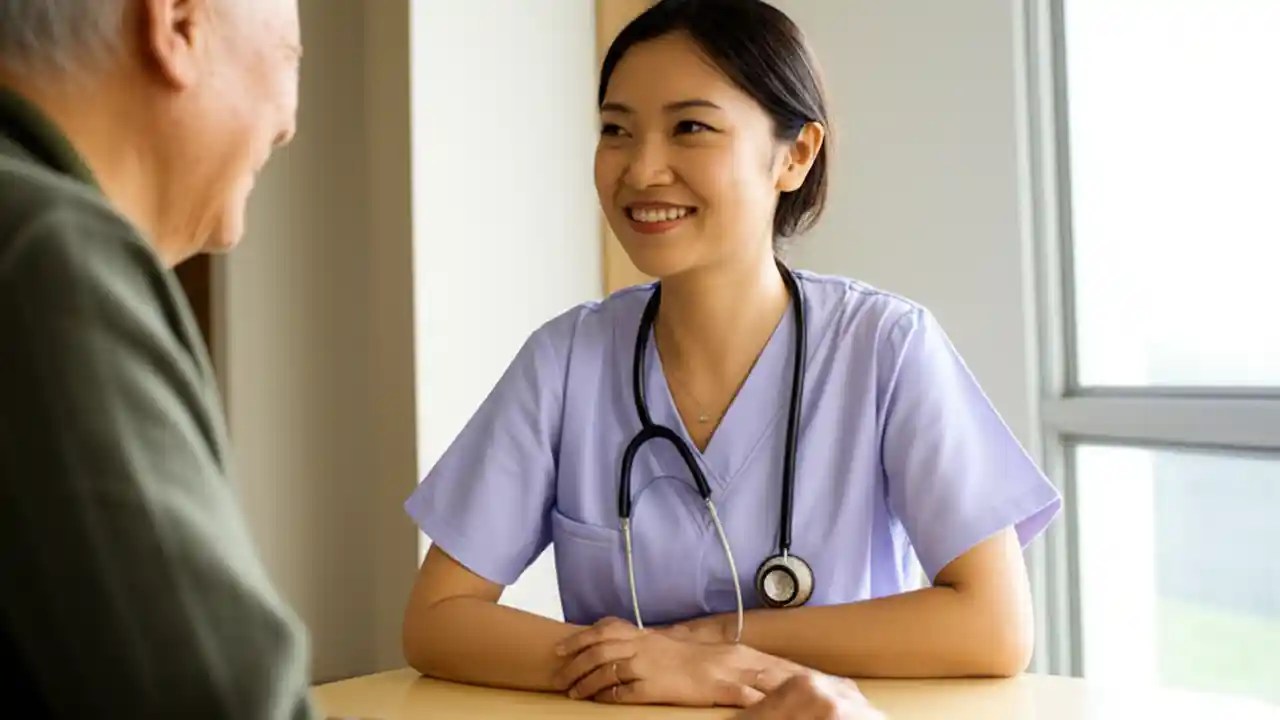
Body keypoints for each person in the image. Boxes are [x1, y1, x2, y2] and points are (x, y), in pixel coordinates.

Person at [401, 0, 1062, 711]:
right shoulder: (565, 361)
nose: (642, 168)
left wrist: (719, 642)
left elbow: (990, 626)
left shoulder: (885, 348)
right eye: (616, 130)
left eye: (690, 127)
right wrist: (641, 668)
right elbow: (438, 620)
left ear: (794, 156)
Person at [0, 0, 312, 716]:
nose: (291, 123)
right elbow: (220, 700)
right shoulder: (43, 254)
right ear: (177, 25)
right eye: (292, 54)